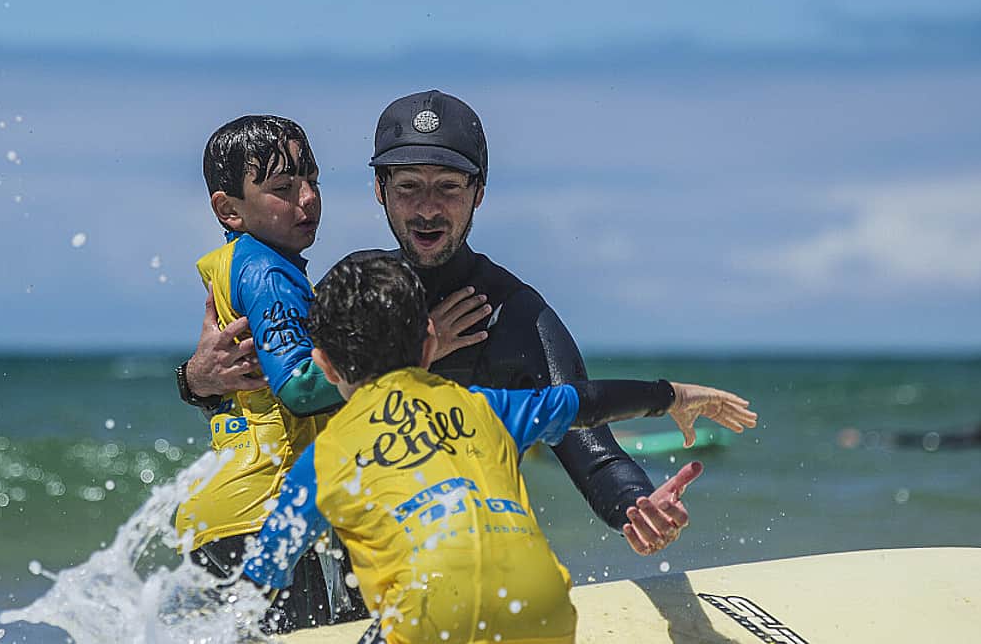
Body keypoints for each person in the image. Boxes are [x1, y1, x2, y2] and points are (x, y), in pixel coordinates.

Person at [179, 90, 716, 623]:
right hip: (360, 608)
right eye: (409, 187)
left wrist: (634, 505)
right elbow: (287, 393)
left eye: (449, 188)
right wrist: (197, 382)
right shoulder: (357, 291)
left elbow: (589, 444)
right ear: (379, 190)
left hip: (473, 600)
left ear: (478, 193)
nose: (428, 207)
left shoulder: (517, 317)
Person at [240, 254, 758, 644]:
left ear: (325, 366)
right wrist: (675, 395)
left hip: (434, 620)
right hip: (545, 609)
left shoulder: (325, 456)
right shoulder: (490, 407)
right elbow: (588, 402)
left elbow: (260, 578)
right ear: (428, 343)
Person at [173, 115, 360, 631]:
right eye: (283, 188)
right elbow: (299, 389)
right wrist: (397, 360)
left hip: (227, 512)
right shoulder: (269, 273)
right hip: (266, 509)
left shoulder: (241, 265)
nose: (308, 199)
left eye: (313, 180)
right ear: (227, 209)